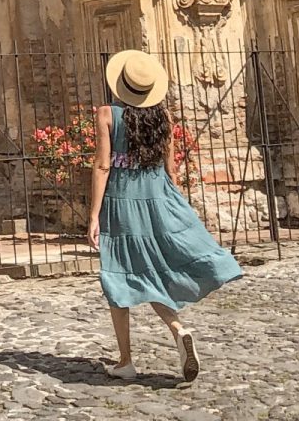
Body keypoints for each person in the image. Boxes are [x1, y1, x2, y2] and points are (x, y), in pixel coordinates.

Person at [87, 49, 242, 383]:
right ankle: (177, 330)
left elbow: (102, 166)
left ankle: (126, 360)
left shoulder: (107, 115)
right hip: (158, 198)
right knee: (152, 272)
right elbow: (171, 170)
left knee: (119, 276)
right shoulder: (164, 117)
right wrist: (175, 208)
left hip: (122, 202)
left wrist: (94, 215)